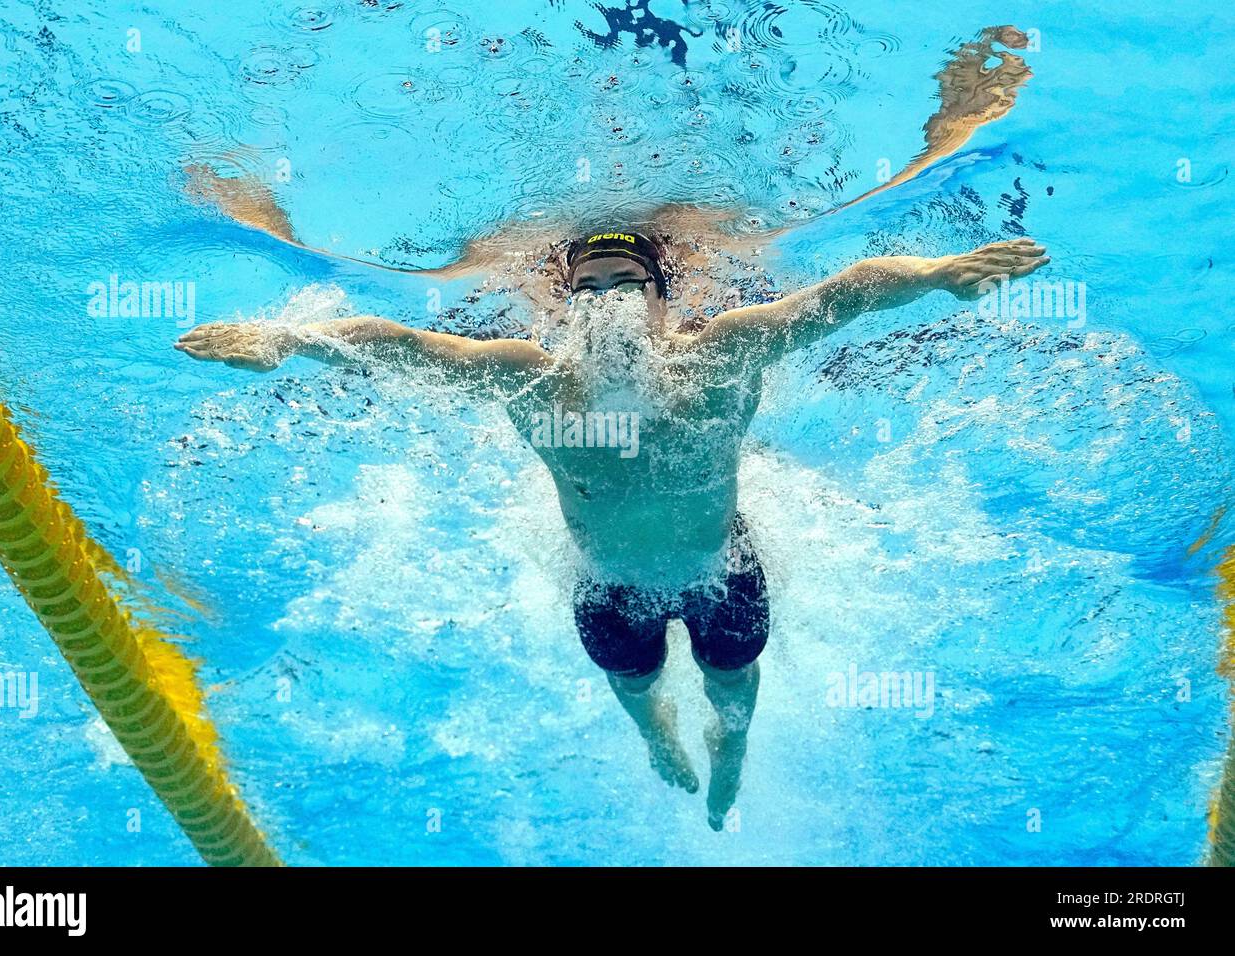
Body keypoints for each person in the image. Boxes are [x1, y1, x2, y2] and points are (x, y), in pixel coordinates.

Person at [176, 230, 1048, 828]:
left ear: (662, 302)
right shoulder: (530, 379)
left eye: (625, 287)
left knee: (733, 691)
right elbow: (404, 345)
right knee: (635, 689)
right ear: (565, 309)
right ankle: (656, 736)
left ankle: (727, 753)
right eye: (586, 291)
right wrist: (286, 339)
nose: (605, 305)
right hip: (608, 590)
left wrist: (941, 272)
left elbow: (839, 297)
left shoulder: (724, 357)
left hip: (721, 570)